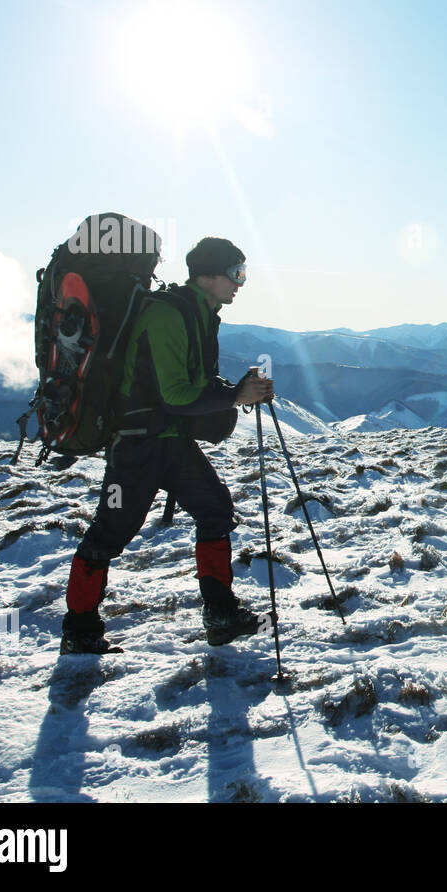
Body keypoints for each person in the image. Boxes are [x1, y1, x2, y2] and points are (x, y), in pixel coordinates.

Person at [60, 238, 275, 654]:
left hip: (170, 440)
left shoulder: (200, 313)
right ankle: (79, 628)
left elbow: (192, 385)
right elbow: (175, 395)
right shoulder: (167, 314)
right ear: (208, 275)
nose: (240, 284)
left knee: (215, 509)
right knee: (109, 534)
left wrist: (237, 390)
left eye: (243, 274)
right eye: (236, 274)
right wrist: (235, 397)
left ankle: (221, 617)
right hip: (137, 446)